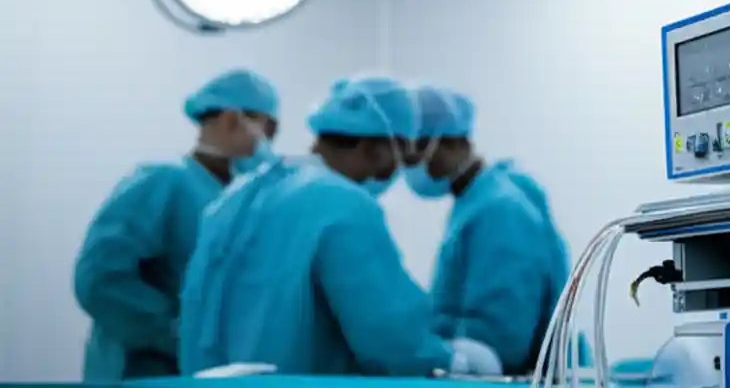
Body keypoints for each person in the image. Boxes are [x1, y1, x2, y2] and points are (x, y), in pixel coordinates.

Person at [179, 76, 499, 376]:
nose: (398, 171)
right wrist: (455, 362)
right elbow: (390, 338)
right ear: (377, 147)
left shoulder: (235, 196)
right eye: (399, 156)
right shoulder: (343, 204)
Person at [73, 69, 279, 382]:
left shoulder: (241, 200)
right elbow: (99, 280)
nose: (270, 140)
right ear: (232, 120)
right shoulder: (163, 181)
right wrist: (179, 333)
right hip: (144, 372)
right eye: (269, 127)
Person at [403, 85, 573, 375]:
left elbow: (500, 339)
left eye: (417, 148)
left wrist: (440, 357)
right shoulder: (475, 202)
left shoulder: (500, 210)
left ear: (455, 143)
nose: (409, 163)